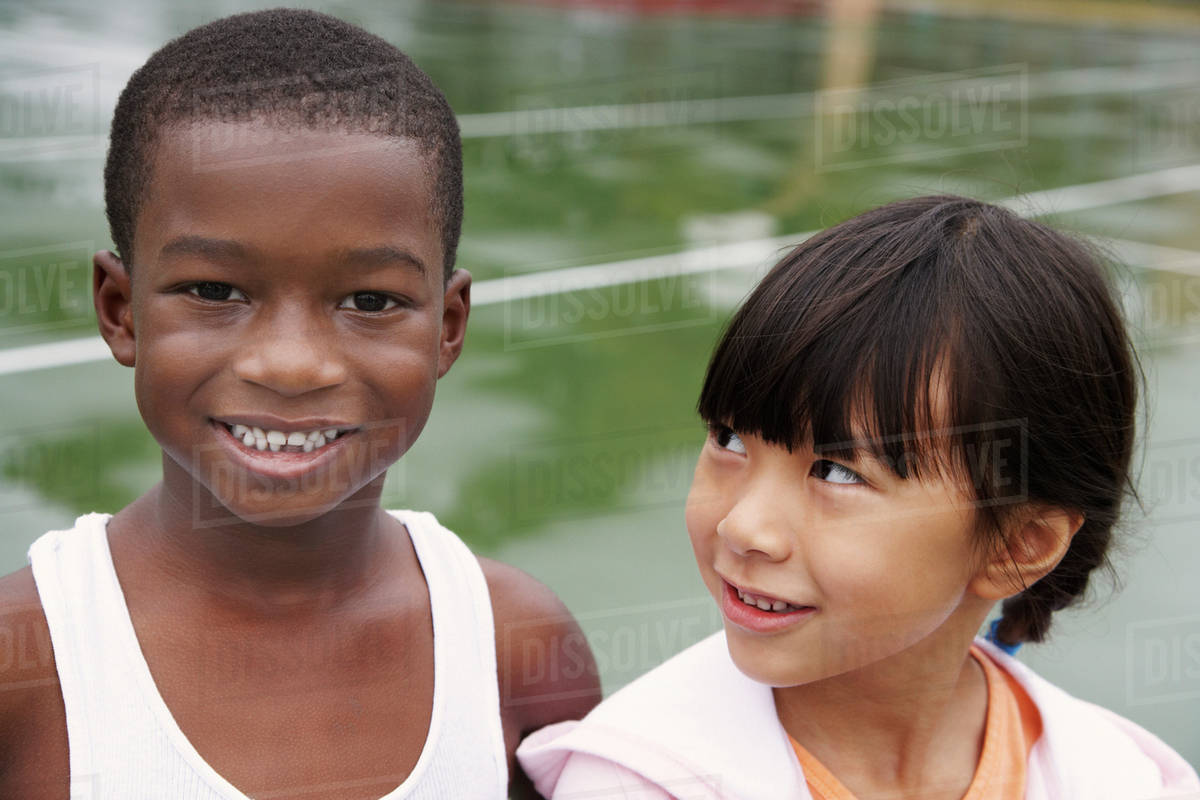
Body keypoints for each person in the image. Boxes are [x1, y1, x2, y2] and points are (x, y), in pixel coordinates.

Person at [0, 9, 600, 799]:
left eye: (370, 300)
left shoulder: (516, 647)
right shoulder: (29, 662)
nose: (291, 365)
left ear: (447, 329)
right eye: (214, 291)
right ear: (120, 309)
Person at [517, 195, 1200, 799]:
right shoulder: (639, 780)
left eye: (840, 472)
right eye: (729, 438)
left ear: (1020, 546)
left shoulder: (1123, 778)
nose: (744, 525)